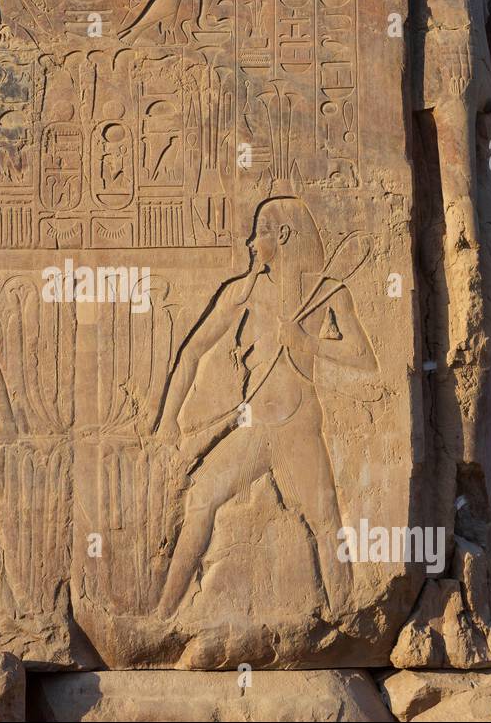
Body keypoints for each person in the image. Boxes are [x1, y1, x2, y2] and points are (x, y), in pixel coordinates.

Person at [154, 196, 377, 617]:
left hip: (297, 423)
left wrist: (308, 343)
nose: (251, 242)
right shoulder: (247, 289)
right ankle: (164, 612)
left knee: (327, 523)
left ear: (284, 235)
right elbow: (194, 350)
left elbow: (364, 357)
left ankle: (347, 615)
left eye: (260, 232)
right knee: (201, 497)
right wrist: (168, 418)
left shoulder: (328, 290)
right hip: (255, 423)